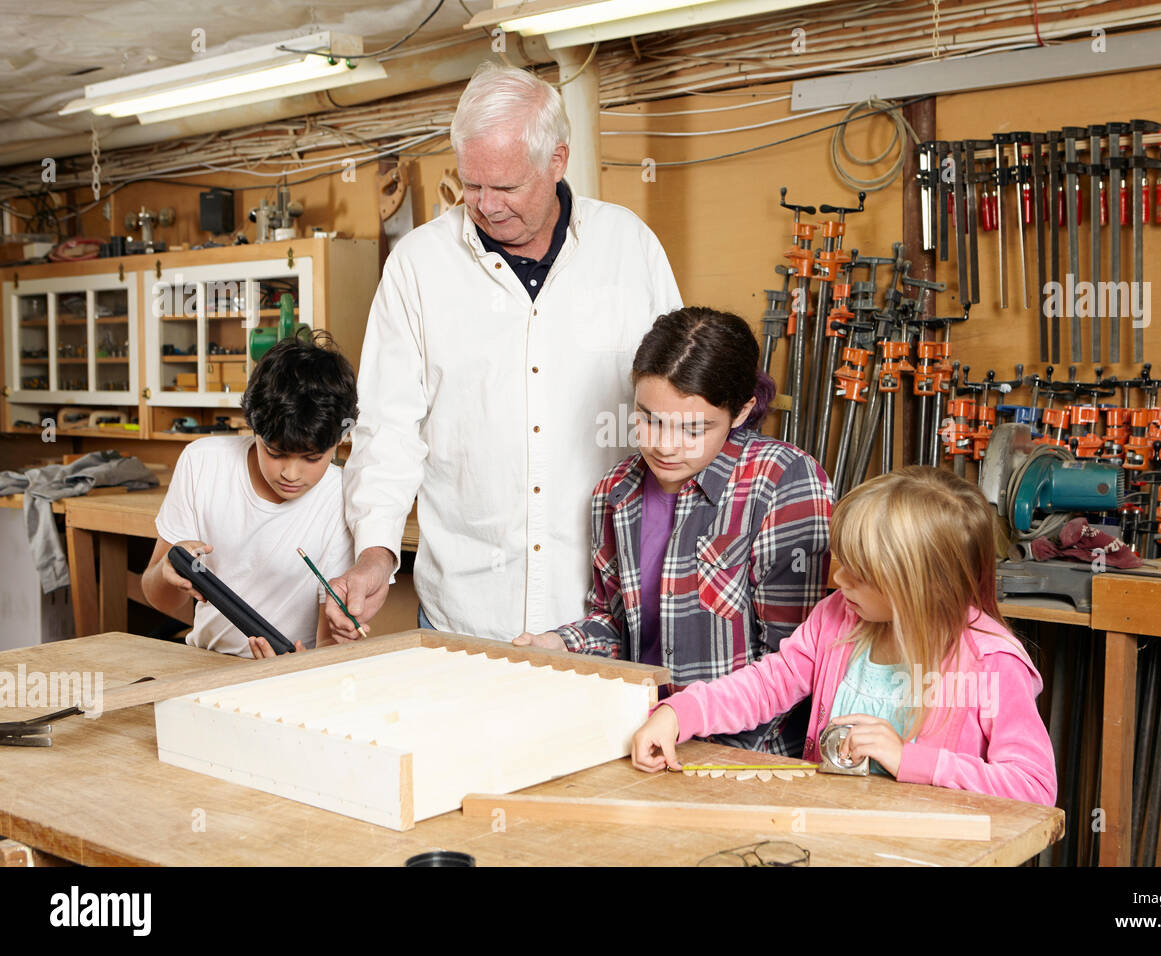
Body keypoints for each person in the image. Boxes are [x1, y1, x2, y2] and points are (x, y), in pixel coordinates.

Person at [333, 61, 680, 644]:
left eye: (507, 187)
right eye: (472, 184)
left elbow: (679, 404)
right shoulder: (419, 266)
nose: (487, 205)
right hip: (469, 611)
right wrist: (375, 553)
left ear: (557, 161)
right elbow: (388, 427)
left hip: (606, 610)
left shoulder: (629, 249)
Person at [629, 466, 1058, 805]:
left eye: (861, 573)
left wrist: (908, 759)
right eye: (842, 560)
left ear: (922, 587)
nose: (838, 578)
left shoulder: (992, 663)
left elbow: (1033, 787)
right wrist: (680, 713)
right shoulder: (839, 615)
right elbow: (766, 684)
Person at [515, 307, 833, 756]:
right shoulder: (616, 491)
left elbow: (792, 666)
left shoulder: (783, 481)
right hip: (642, 740)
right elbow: (617, 624)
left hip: (741, 758)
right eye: (649, 418)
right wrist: (558, 644)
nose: (664, 445)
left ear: (740, 412)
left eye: (693, 429)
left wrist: (704, 747)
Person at [142, 332, 360, 658]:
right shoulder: (202, 462)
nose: (291, 473)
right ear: (254, 428)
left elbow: (329, 644)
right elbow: (159, 597)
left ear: (339, 441)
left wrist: (294, 668)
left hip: (289, 675)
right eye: (275, 452)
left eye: (312, 458)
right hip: (203, 664)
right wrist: (166, 574)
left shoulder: (342, 496)